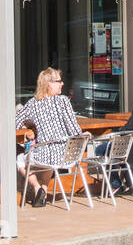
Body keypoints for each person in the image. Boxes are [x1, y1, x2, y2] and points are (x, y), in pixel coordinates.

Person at [15, 68, 83, 208]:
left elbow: (16, 122)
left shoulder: (32, 104)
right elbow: (74, 130)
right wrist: (84, 136)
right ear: (48, 83)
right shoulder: (63, 101)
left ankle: (36, 186)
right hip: (67, 156)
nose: (62, 84)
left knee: (19, 159)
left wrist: (28, 129)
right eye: (59, 81)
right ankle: (43, 191)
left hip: (45, 154)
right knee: (49, 157)